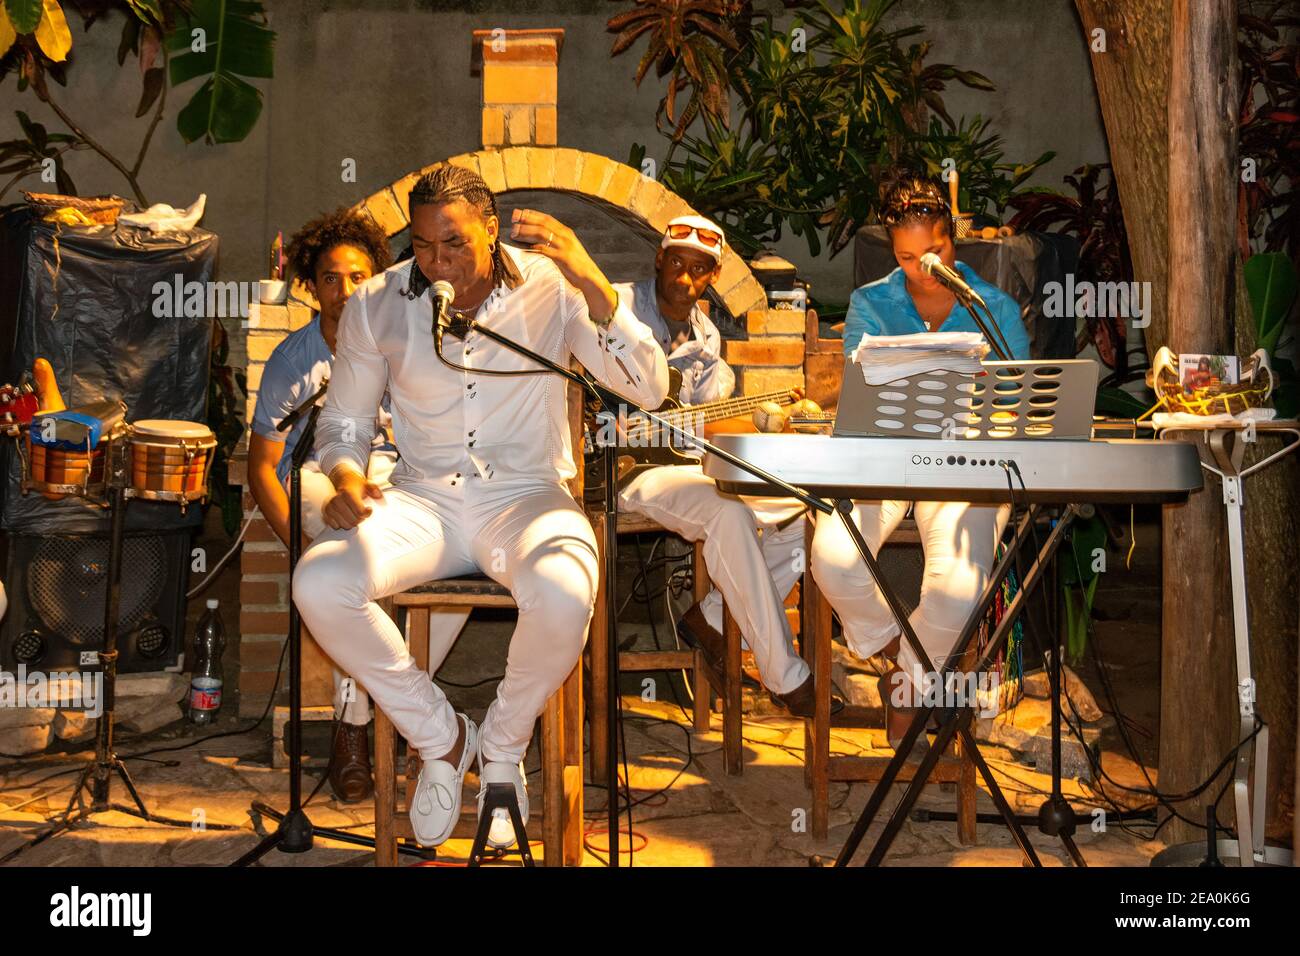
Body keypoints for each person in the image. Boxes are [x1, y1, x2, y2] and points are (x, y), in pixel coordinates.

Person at [292, 165, 668, 849]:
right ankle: (442, 739)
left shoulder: (552, 287)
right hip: (422, 498)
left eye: (455, 245)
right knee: (317, 582)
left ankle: (502, 746)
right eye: (424, 246)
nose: (438, 264)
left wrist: (593, 284)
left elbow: (647, 389)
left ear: (492, 230)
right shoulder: (377, 302)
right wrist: (345, 479)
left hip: (527, 496)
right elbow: (342, 424)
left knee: (563, 591)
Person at [247, 208, 468, 802]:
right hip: (323, 475)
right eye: (330, 278)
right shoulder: (294, 361)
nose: (345, 290)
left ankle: (377, 715)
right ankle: (360, 730)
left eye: (357, 276)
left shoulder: (414, 343)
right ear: (311, 286)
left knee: (463, 568)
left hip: (404, 477)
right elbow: (262, 467)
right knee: (342, 545)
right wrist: (299, 540)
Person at [810, 169, 1030, 759]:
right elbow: (858, 391)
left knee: (959, 588)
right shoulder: (871, 301)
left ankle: (906, 682)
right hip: (882, 458)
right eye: (907, 257)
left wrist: (987, 397)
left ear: (951, 238)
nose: (920, 269)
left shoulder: (994, 307)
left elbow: (1021, 406)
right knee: (832, 558)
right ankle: (902, 658)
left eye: (933, 253)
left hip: (964, 464)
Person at [612, 215, 826, 715]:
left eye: (700, 270)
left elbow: (700, 430)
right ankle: (786, 675)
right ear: (660, 260)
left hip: (683, 468)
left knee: (802, 515)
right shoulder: (616, 307)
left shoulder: (706, 338)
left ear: (712, 276)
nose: (685, 279)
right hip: (621, 470)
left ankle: (711, 617)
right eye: (678, 264)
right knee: (726, 513)